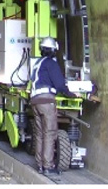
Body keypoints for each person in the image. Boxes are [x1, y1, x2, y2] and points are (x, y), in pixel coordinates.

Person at [29, 37, 76, 176]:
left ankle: (39, 165)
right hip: (46, 102)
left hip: (35, 101)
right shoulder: (51, 64)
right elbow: (60, 85)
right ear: (54, 50)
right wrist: (71, 94)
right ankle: (48, 166)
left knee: (39, 133)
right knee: (49, 133)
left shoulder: (37, 63)